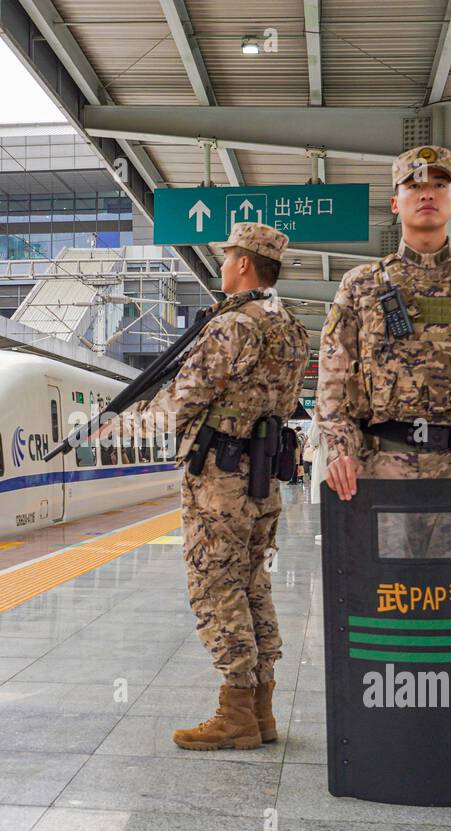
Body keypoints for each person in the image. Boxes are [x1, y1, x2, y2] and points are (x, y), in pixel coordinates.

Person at [105, 221, 310, 750]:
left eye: (226, 258)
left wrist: (119, 429)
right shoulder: (290, 326)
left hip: (221, 477)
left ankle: (236, 710)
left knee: (215, 584)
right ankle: (261, 708)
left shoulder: (233, 325)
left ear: (243, 263)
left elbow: (184, 400)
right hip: (263, 475)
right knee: (253, 584)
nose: (222, 267)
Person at [316, 145, 451, 532]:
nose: (427, 193)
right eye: (414, 186)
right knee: (386, 590)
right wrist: (342, 452)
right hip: (380, 470)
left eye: (439, 185)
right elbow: (333, 378)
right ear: (395, 202)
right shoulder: (361, 284)